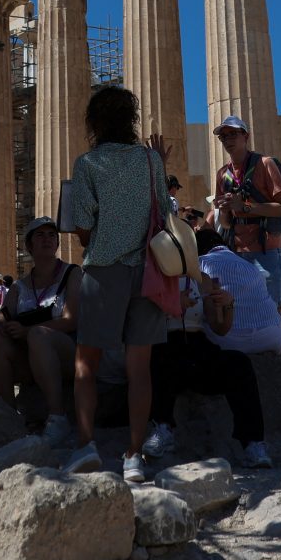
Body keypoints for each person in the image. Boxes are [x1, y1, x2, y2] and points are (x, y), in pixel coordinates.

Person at [62, 85, 171, 482]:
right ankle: (134, 455)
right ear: (131, 120)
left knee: (85, 364)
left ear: (95, 122)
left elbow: (84, 228)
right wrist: (159, 163)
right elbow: (167, 210)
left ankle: (86, 446)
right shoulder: (149, 161)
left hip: (104, 270)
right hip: (149, 271)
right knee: (139, 369)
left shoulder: (88, 164)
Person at [150, 227, 276, 468]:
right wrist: (173, 305)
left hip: (198, 344)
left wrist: (228, 305)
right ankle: (162, 428)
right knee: (159, 359)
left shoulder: (201, 279)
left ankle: (253, 443)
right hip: (165, 342)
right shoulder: (154, 280)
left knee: (239, 364)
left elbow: (220, 328)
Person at [0, 216, 82, 444]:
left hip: (67, 352)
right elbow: (2, 317)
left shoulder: (72, 274)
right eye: (39, 235)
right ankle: (9, 414)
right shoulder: (19, 287)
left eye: (51, 235)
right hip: (31, 357)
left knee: (38, 335)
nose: (46, 239)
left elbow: (71, 320)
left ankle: (58, 417)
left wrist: (29, 331)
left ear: (57, 243)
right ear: (28, 245)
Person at [211, 115, 281, 295]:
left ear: (245, 136)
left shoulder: (265, 164)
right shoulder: (222, 174)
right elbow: (225, 224)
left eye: (233, 134)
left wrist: (245, 207)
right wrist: (224, 210)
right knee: (242, 312)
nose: (227, 140)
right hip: (236, 252)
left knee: (270, 311)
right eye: (223, 136)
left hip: (266, 250)